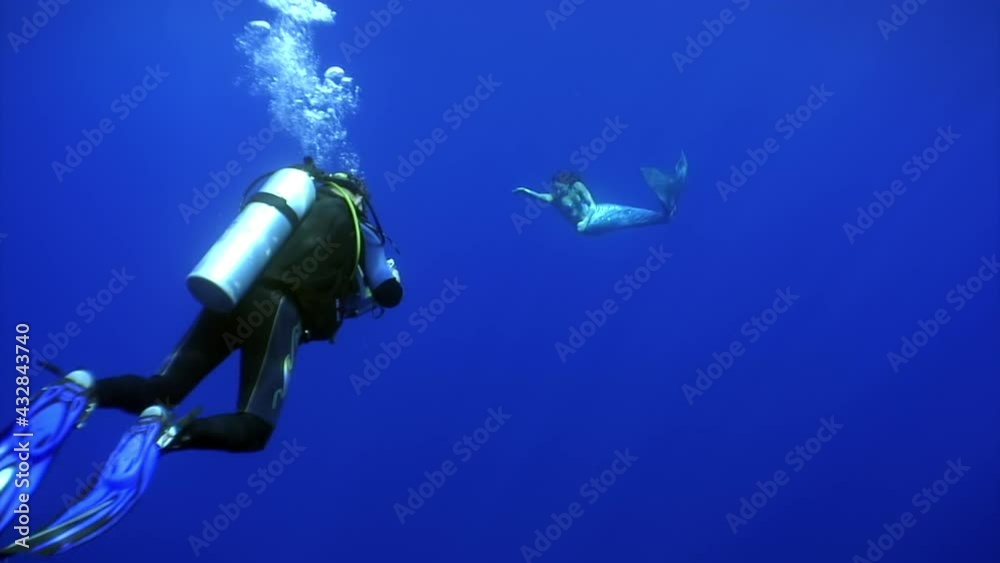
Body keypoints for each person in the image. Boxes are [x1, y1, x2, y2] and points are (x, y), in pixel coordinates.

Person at [0, 157, 403, 557]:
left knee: (163, 387)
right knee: (254, 428)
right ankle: (164, 433)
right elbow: (389, 292)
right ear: (359, 193)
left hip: (233, 289)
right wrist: (383, 272)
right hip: (281, 309)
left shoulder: (297, 197)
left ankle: (83, 390)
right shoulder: (362, 227)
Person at [513, 152, 689, 235]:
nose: (556, 190)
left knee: (635, 218)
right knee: (638, 219)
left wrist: (584, 222)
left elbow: (592, 205)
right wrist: (524, 191)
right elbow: (537, 196)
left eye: (559, 187)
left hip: (597, 215)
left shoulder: (578, 187)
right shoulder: (555, 198)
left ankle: (668, 207)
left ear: (567, 184)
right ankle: (668, 207)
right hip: (590, 226)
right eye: (555, 187)